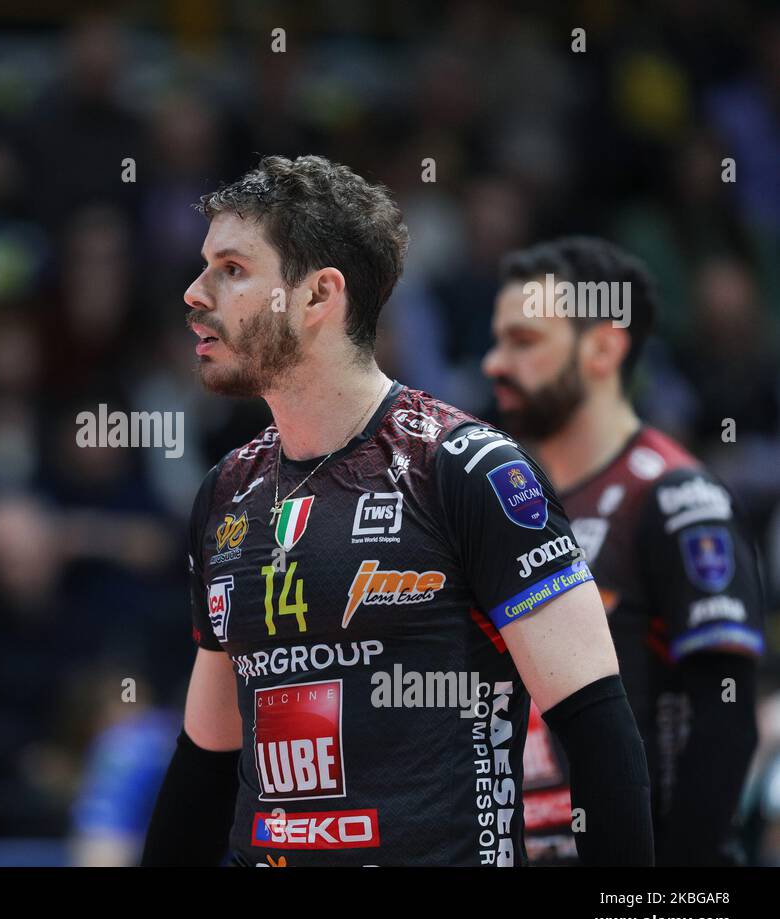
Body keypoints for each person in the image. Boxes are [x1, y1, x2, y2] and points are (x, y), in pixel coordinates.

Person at [141, 155, 653, 867]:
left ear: (319, 296)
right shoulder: (225, 490)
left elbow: (596, 727)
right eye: (205, 267)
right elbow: (205, 761)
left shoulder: (469, 470)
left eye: (231, 269)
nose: (196, 293)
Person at [482, 237, 763, 865]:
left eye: (523, 342)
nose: (493, 363)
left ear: (604, 347)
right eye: (497, 340)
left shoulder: (674, 498)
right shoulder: (500, 501)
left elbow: (727, 725)